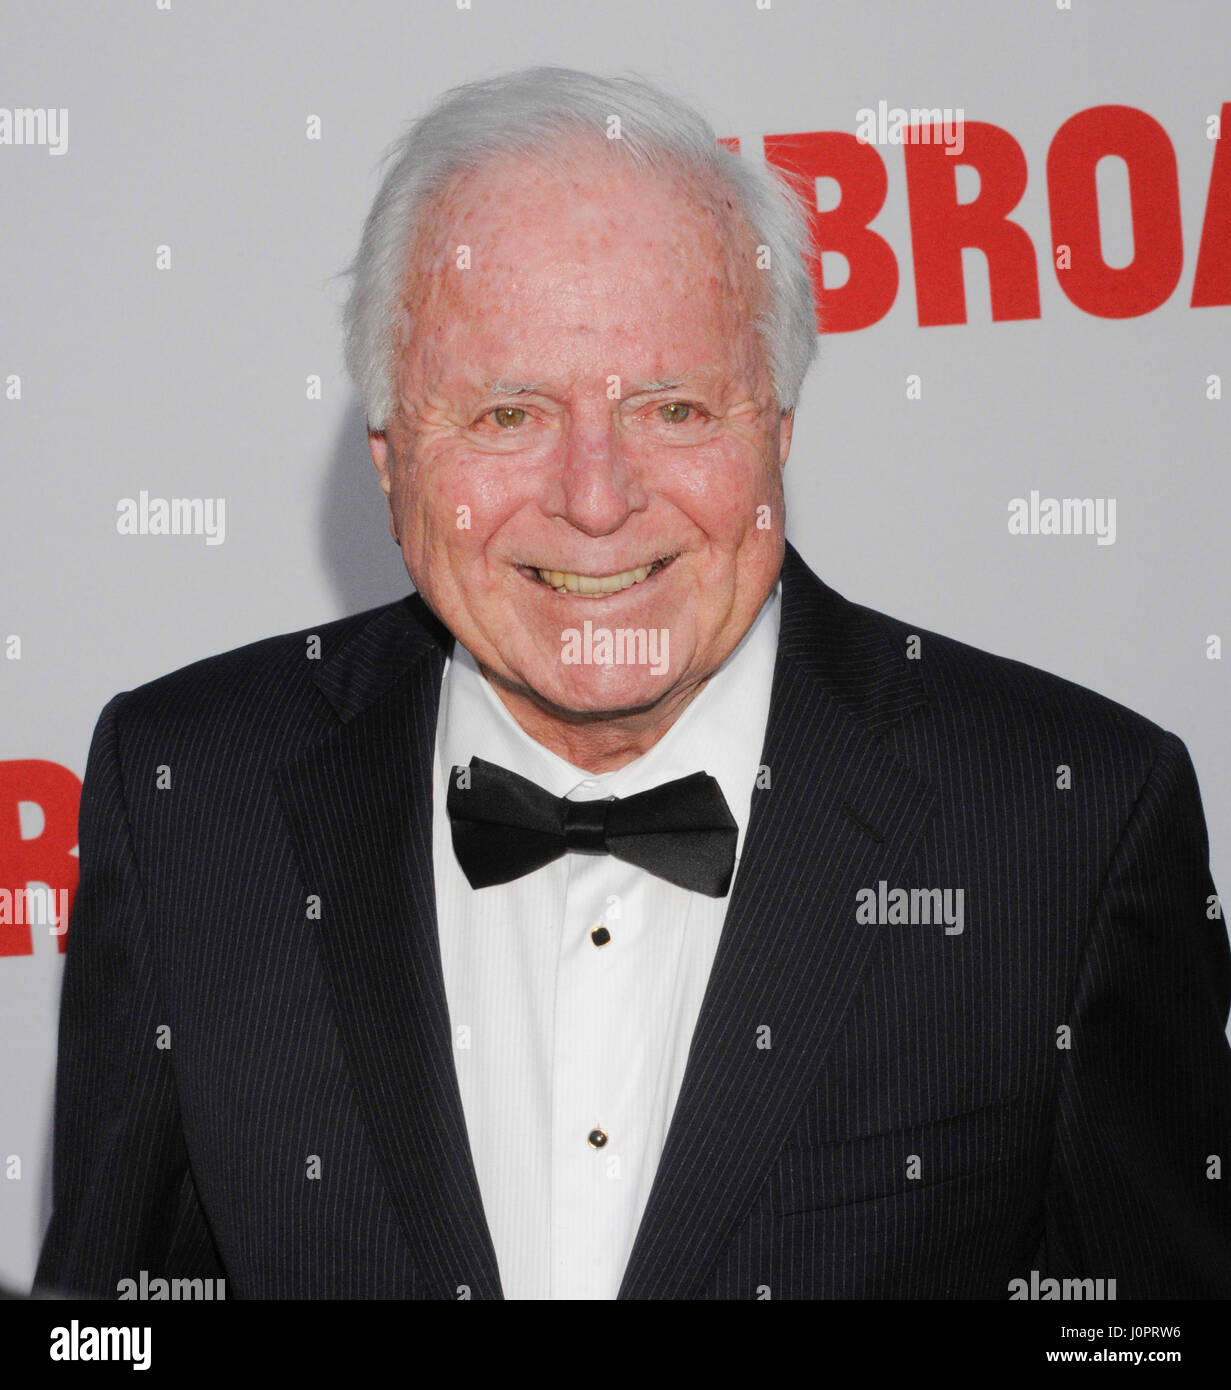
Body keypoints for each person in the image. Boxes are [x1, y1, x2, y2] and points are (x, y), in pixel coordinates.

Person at [35, 66, 1231, 1300]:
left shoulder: (1067, 821)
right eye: (507, 415)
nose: (596, 499)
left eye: (674, 408)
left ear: (778, 430)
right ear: (390, 465)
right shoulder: (186, 798)